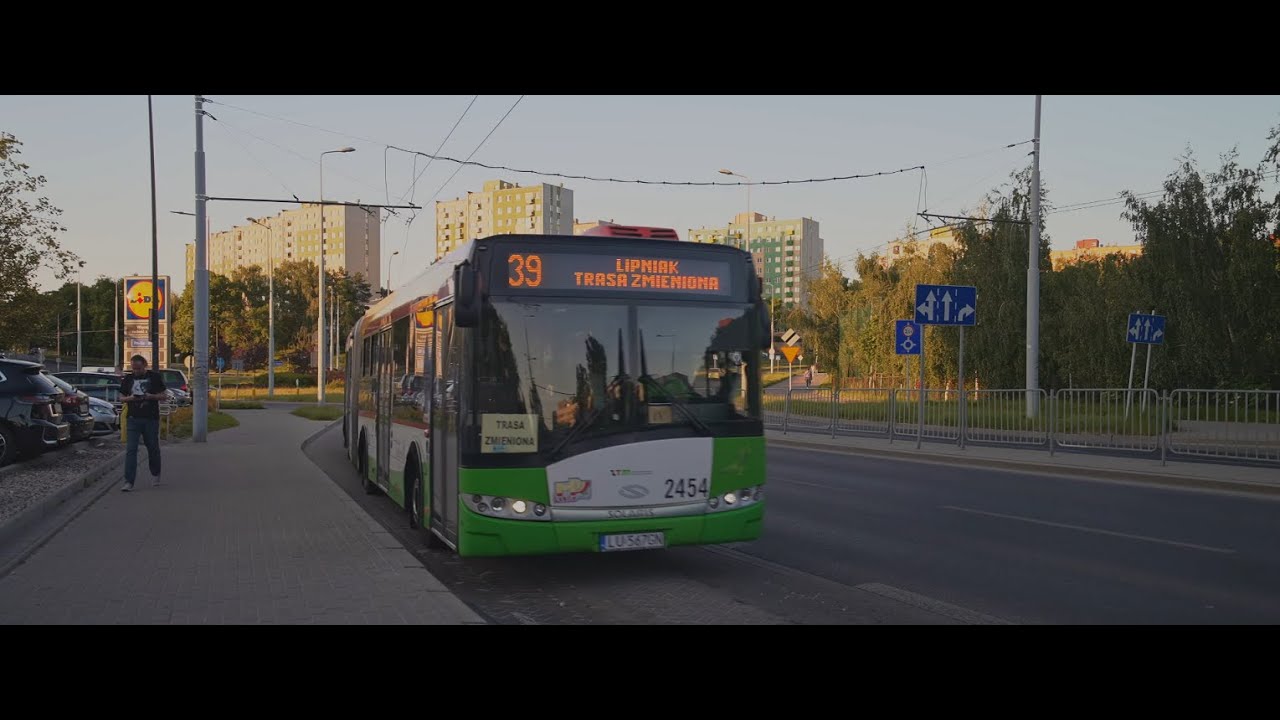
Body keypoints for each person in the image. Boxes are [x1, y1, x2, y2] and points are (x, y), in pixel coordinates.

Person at [119, 354, 167, 491]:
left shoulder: (154, 377)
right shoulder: (128, 379)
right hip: (133, 418)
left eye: (139, 368)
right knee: (131, 450)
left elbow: (164, 395)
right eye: (134, 369)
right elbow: (121, 397)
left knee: (152, 447)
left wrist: (151, 396)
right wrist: (130, 398)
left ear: (144, 365)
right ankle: (128, 481)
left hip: (150, 418)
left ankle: (156, 473)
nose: (136, 371)